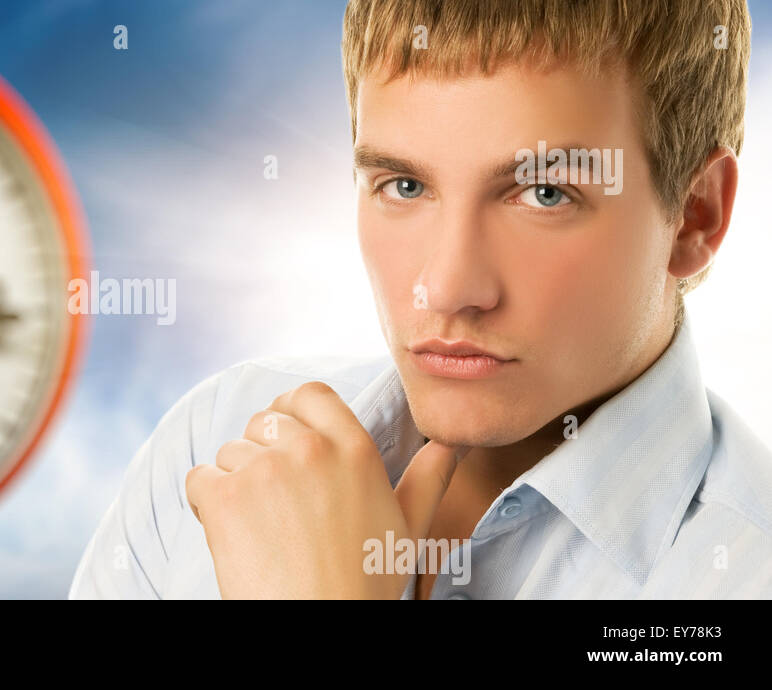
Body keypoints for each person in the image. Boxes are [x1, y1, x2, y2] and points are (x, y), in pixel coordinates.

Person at [69, 0, 771, 599]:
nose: (446, 288)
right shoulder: (213, 439)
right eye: (404, 186)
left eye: (544, 194)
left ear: (695, 215)